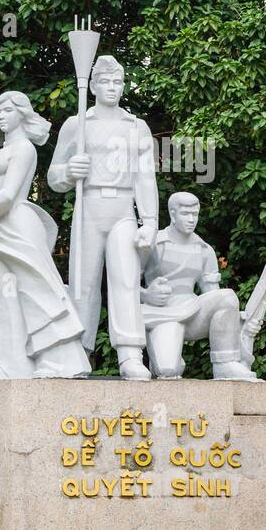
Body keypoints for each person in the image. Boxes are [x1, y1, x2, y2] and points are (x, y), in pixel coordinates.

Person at [0, 91, 90, 380]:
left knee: (35, 291)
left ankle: (60, 360)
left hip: (15, 224)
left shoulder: (24, 149)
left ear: (22, 113)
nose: (1, 115)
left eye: (7, 110)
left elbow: (8, 195)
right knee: (8, 295)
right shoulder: (5, 149)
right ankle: (13, 365)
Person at [47, 55, 158, 379]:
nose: (111, 87)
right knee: (83, 284)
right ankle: (78, 352)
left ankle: (129, 355)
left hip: (123, 208)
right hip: (88, 207)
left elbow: (145, 177)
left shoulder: (136, 126)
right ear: (92, 85)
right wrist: (69, 171)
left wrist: (149, 221)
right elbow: (53, 177)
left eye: (117, 82)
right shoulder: (77, 124)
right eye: (105, 81)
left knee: (126, 281)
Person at [140, 192, 260, 381]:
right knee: (168, 371)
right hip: (161, 315)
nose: (191, 219)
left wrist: (240, 320)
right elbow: (124, 285)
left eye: (195, 214)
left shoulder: (204, 249)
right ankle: (169, 356)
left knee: (227, 296)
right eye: (185, 214)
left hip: (193, 313)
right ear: (172, 214)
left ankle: (225, 364)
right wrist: (146, 295)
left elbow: (214, 298)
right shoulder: (153, 243)